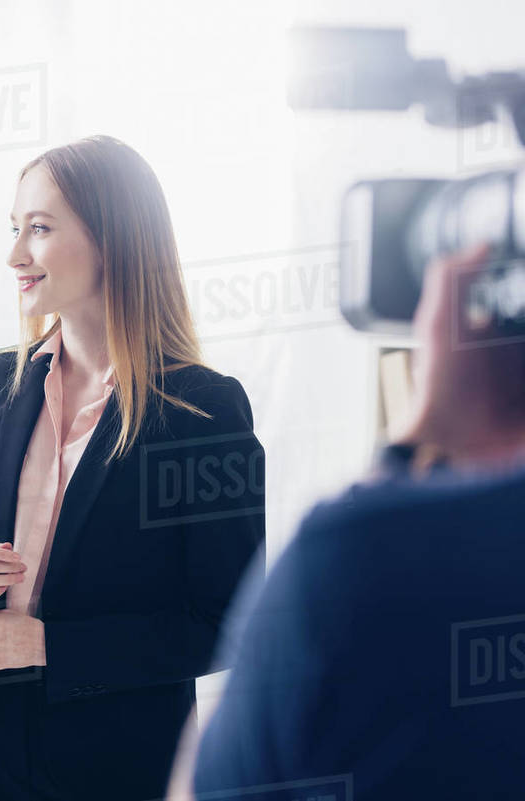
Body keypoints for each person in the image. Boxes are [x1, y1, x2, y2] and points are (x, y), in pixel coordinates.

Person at [0, 135, 265, 800]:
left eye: (40, 228)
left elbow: (230, 623)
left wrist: (49, 646)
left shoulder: (202, 409)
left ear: (113, 239)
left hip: (117, 767)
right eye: (15, 228)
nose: (15, 255)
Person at [168, 243, 525, 799]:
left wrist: (411, 444)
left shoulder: (363, 555)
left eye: (41, 227)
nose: (23, 253)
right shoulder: (16, 381)